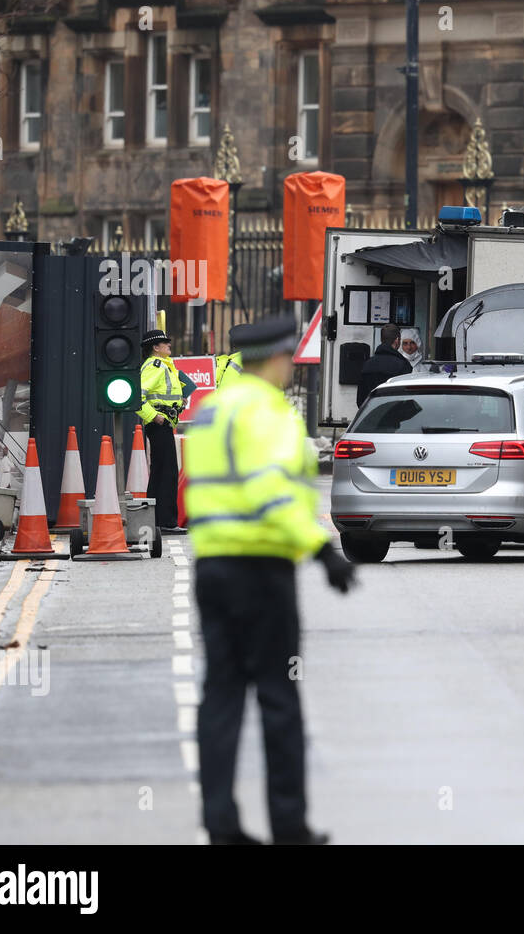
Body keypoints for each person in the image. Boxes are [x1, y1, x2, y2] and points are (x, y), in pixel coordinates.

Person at [184, 314, 358, 845]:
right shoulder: (268, 412)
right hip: (262, 572)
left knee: (221, 697)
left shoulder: (212, 412)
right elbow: (271, 493)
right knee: (279, 698)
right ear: (279, 358)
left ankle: (221, 823)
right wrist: (322, 551)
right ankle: (289, 826)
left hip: (212, 566)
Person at [137, 330, 185, 533]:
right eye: (165, 342)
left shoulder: (165, 366)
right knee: (168, 473)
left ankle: (155, 520)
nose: (169, 345)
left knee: (159, 472)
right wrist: (154, 416)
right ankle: (167, 522)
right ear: (155, 347)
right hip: (159, 424)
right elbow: (137, 397)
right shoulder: (155, 366)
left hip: (164, 423)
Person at [355, 323, 412, 408]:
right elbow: (406, 399)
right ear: (397, 340)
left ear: (382, 339)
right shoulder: (402, 365)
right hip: (394, 416)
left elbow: (360, 400)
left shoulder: (367, 365)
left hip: (372, 415)